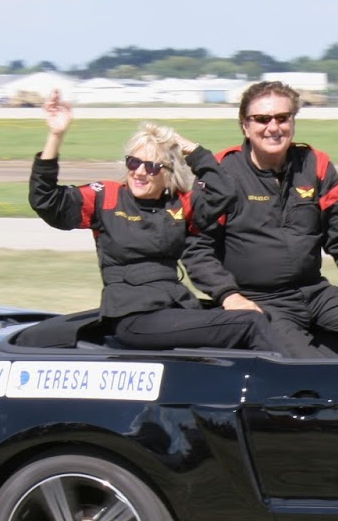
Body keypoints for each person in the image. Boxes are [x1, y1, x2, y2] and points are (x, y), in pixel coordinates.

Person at [28, 90, 316, 356]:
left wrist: (191, 149)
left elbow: (225, 191)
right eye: (133, 163)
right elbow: (47, 202)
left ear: (167, 174)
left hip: (175, 306)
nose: (140, 172)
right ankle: (300, 386)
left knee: (261, 314)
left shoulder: (181, 204)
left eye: (152, 167)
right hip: (134, 317)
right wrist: (56, 135)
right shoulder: (107, 197)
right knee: (249, 323)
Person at [183, 81, 338, 358]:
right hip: (258, 300)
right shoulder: (221, 173)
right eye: (262, 119)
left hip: (314, 292)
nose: (273, 127)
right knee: (304, 368)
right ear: (245, 125)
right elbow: (197, 248)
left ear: (293, 121)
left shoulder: (316, 165)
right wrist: (230, 297)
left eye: (282, 118)